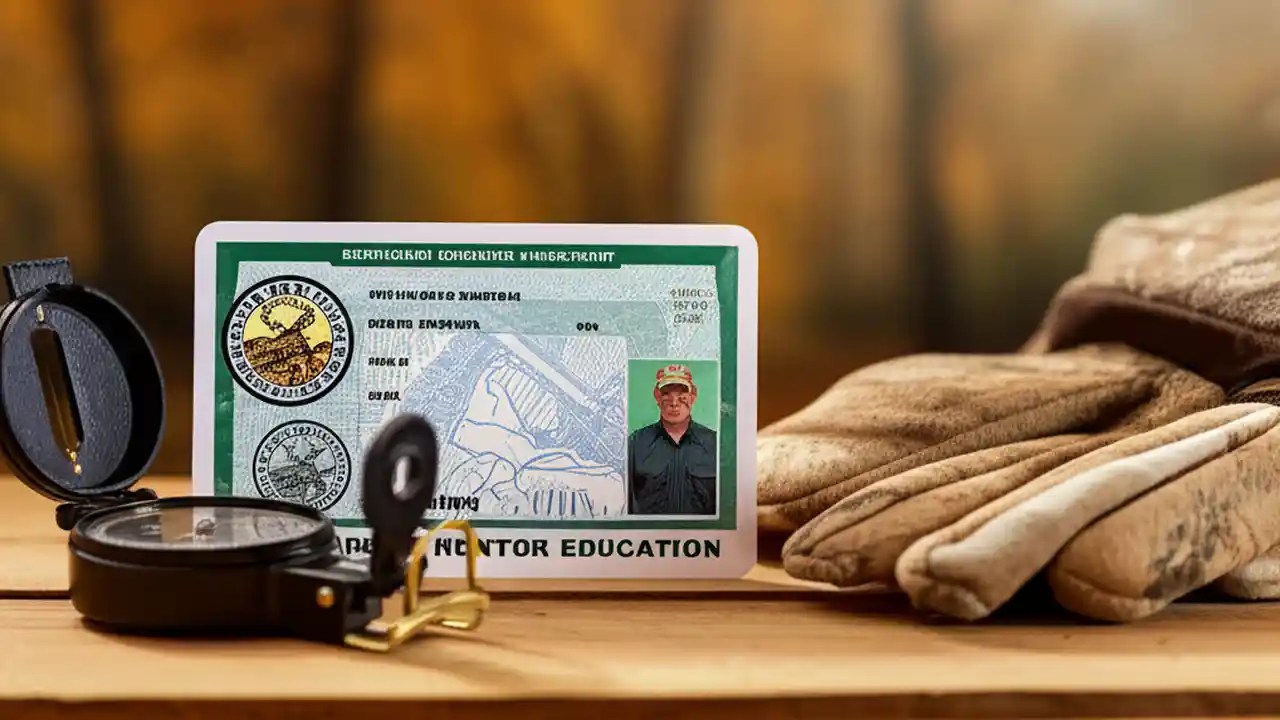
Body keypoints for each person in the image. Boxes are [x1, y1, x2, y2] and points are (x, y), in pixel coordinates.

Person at [627, 364, 717, 515]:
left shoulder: (715, 444)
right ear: (657, 396)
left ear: (693, 396)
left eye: (682, 394)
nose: (674, 403)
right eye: (666, 394)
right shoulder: (635, 444)